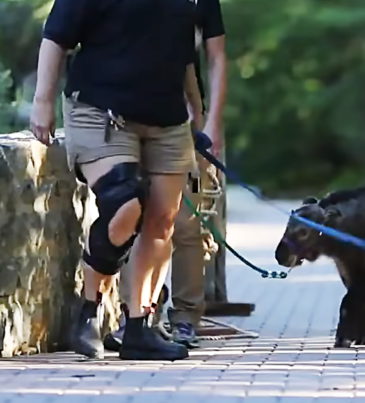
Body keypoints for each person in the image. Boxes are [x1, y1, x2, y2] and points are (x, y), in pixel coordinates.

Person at [30, 0, 200, 361]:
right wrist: (42, 101)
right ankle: (90, 310)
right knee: (125, 202)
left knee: (161, 222)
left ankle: (138, 327)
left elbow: (184, 54)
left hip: (167, 119)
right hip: (100, 111)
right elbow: (55, 37)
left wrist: (196, 112)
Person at [103, 0, 228, 351]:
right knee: (136, 217)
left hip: (183, 117)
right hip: (128, 115)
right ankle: (137, 318)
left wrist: (208, 122)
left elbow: (211, 58)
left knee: (186, 223)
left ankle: (186, 317)